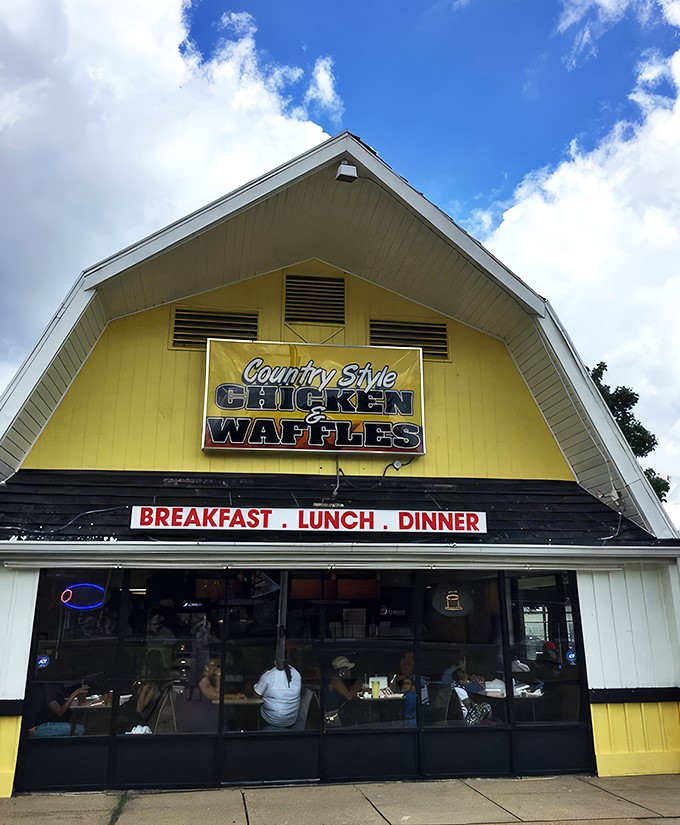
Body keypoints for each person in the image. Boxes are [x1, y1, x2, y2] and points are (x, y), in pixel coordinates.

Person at [253, 661, 301, 728]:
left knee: (253, 710)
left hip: (271, 720)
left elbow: (256, 694)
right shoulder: (296, 673)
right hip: (291, 720)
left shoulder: (269, 675)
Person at [325, 655, 363, 726]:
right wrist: (358, 686)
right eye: (346, 669)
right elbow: (349, 696)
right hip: (331, 716)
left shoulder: (339, 680)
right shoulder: (335, 680)